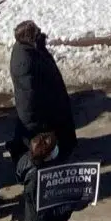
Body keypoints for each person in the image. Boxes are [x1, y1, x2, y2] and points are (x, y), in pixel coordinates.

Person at [9, 21, 75, 161]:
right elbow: (29, 97)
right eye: (36, 32)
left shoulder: (29, 50)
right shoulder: (25, 62)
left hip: (49, 103)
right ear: (28, 37)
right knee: (44, 145)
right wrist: (41, 123)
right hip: (43, 113)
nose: (39, 32)